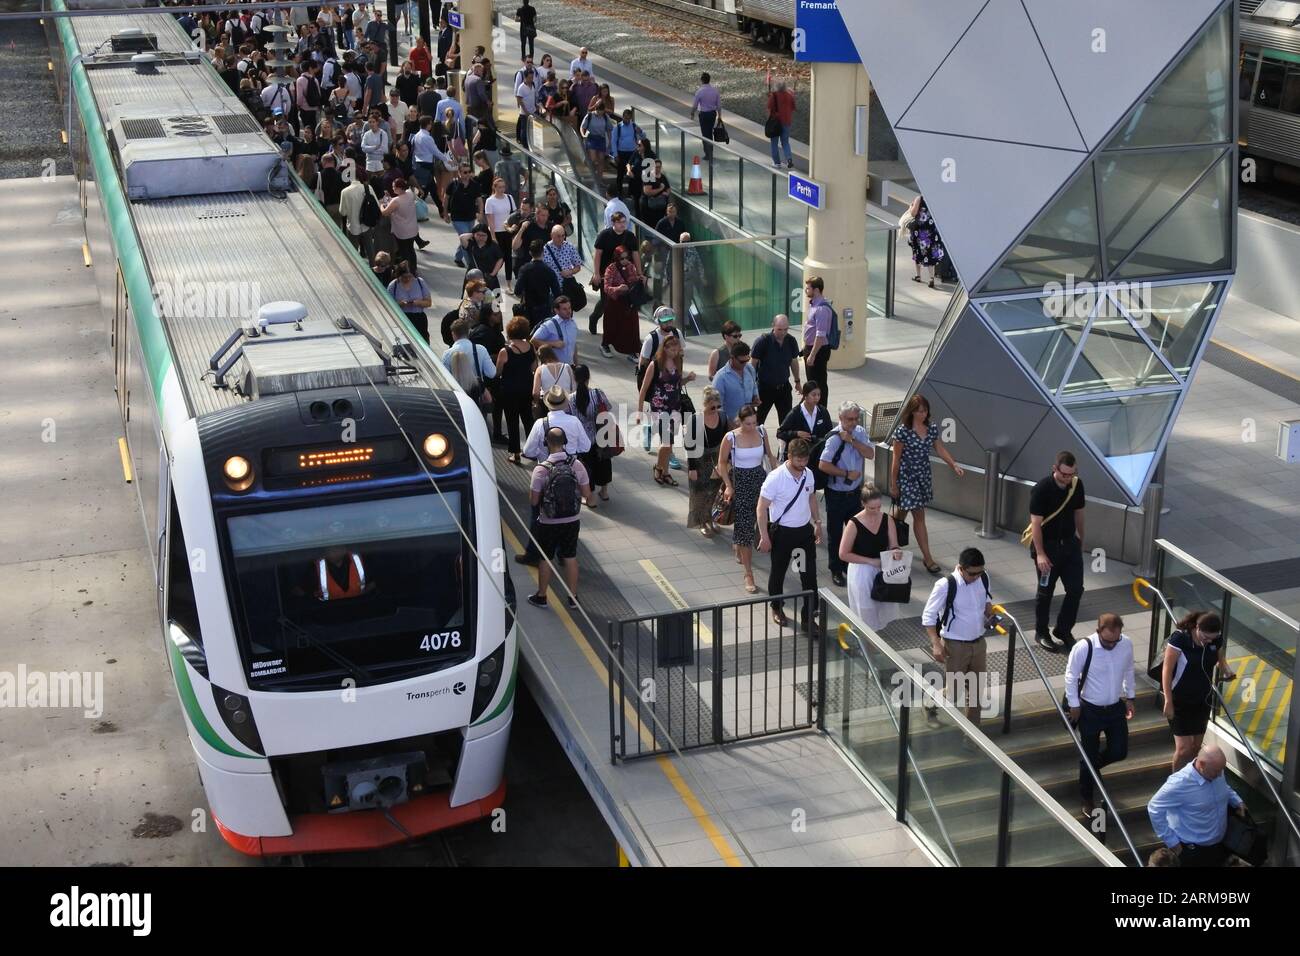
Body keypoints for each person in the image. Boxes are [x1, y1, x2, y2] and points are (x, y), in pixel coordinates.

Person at [1065, 613, 1136, 818]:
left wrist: (1130, 697)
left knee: (1119, 751)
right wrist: (1074, 704)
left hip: (1114, 708)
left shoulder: (1126, 644)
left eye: (1116, 640)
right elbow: (1070, 676)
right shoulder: (1084, 647)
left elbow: (1129, 670)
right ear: (1098, 632)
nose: (1112, 645)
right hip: (1089, 709)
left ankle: (1089, 768)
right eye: (1107, 641)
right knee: (1089, 753)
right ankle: (1087, 797)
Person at [517, 387, 593, 566]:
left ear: (548, 404)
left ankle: (535, 554)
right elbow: (587, 446)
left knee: (538, 514)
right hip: (570, 473)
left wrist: (541, 452)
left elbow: (527, 451)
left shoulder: (540, 424)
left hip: (546, 474)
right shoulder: (574, 422)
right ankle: (564, 554)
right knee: (566, 510)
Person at [891, 394, 964, 576]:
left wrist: (953, 464)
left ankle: (889, 536)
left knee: (901, 512)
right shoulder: (903, 431)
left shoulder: (931, 428)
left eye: (925, 410)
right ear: (912, 412)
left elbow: (939, 448)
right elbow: (896, 459)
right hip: (907, 478)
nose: (923, 414)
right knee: (918, 514)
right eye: (919, 411)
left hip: (922, 476)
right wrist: (893, 483)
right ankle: (928, 558)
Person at [921, 547, 994, 726]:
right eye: (972, 573)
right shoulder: (945, 585)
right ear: (961, 568)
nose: (976, 577)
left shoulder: (983, 578)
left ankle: (972, 740)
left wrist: (991, 616)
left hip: (978, 643)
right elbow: (928, 616)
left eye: (980, 572)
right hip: (955, 646)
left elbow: (986, 602)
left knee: (976, 692)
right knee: (955, 692)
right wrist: (936, 644)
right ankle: (930, 703)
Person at [526, 427, 595, 610]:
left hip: (548, 522)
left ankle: (541, 596)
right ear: (565, 442)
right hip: (572, 520)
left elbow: (533, 501)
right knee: (570, 557)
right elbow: (587, 494)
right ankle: (573, 598)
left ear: (547, 443)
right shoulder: (576, 465)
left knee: (545, 559)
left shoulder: (541, 470)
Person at [1159, 611, 1236, 773]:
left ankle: (1191, 779)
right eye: (1205, 637)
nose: (1208, 641)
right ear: (1197, 627)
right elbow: (1167, 670)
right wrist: (1168, 700)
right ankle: (1175, 783)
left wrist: (1227, 670)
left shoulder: (1215, 640)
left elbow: (1220, 659)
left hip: (1202, 698)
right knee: (1183, 749)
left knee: (1195, 747)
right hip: (1179, 699)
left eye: (1212, 639)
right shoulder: (1180, 639)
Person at [1147, 744, 1247, 868]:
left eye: (1221, 770)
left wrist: (1237, 801)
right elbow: (1154, 808)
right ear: (1202, 764)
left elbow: (1224, 788)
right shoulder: (1179, 783)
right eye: (1216, 771)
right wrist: (1172, 842)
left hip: (1220, 845)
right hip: (1194, 851)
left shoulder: (1215, 771)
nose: (1220, 774)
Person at [757, 437, 821, 629]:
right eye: (799, 460)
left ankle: (808, 617)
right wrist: (764, 536)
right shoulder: (776, 478)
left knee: (808, 574)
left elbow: (811, 498)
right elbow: (761, 508)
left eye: (805, 459)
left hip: (803, 534)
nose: (802, 464)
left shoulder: (808, 474)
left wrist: (817, 522)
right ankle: (777, 607)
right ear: (789, 456)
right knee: (778, 573)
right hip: (783, 535)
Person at [1028, 450, 1086, 651]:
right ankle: (1041, 631)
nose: (1067, 478)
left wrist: (1081, 540)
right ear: (1055, 469)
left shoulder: (1076, 486)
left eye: (1071, 474)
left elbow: (1079, 514)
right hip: (1048, 547)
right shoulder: (1042, 489)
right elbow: (1035, 523)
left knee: (1076, 589)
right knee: (1045, 592)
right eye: (1064, 474)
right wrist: (1040, 553)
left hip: (1070, 545)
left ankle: (1063, 629)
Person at [717, 405, 776, 596]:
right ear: (739, 422)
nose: (752, 426)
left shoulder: (761, 431)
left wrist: (777, 476)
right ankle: (748, 574)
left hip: (759, 479)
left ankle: (739, 546)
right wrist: (728, 485)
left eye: (754, 422)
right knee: (744, 526)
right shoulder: (731, 437)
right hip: (740, 482)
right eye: (748, 423)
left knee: (759, 519)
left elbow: (769, 455)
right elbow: (722, 462)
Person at [819, 402, 875, 588]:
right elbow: (823, 465)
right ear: (841, 418)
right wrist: (845, 474)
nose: (853, 422)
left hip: (855, 494)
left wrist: (852, 441)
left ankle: (850, 564)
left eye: (855, 418)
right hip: (836, 494)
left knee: (855, 532)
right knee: (835, 534)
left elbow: (870, 453)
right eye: (849, 419)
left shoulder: (859, 432)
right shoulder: (834, 439)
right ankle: (836, 568)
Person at [838, 484, 904, 630]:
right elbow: (843, 554)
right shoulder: (853, 523)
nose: (876, 511)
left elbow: (894, 544)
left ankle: (874, 643)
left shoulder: (887, 519)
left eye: (879, 507)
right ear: (863, 504)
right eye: (872, 508)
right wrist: (870, 561)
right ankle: (867, 644)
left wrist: (896, 551)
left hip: (882, 568)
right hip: (861, 571)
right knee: (866, 611)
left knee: (882, 609)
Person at [638, 333, 694, 488]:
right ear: (665, 349)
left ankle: (665, 472)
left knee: (669, 442)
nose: (675, 352)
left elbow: (677, 384)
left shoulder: (678, 362)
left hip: (675, 407)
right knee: (666, 443)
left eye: (677, 349)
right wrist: (639, 411)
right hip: (659, 408)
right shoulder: (655, 365)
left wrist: (687, 379)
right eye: (672, 349)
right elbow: (643, 389)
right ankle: (658, 468)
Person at [590, 209, 639, 337]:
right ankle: (595, 317)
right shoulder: (605, 235)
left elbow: (635, 254)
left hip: (624, 275)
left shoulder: (630, 236)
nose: (623, 224)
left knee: (622, 303)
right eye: (620, 222)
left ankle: (619, 330)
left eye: (624, 222)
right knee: (606, 301)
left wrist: (639, 273)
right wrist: (596, 273)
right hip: (607, 274)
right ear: (613, 223)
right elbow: (598, 255)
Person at [496, 314, 538, 466]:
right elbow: (535, 368)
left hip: (509, 391)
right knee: (528, 419)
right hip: (526, 389)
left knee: (512, 421)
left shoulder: (505, 351)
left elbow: (498, 372)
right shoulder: (531, 347)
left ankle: (516, 453)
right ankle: (533, 450)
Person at [686, 386, 728, 537]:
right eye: (712, 407)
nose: (715, 409)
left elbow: (725, 440)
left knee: (714, 491)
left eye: (718, 406)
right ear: (705, 405)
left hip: (716, 458)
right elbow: (689, 444)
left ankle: (710, 518)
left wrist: (725, 461)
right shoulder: (696, 419)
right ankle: (701, 521)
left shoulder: (722, 417)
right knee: (699, 492)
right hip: (699, 459)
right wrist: (691, 468)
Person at [571, 364, 613, 502]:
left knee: (585, 466)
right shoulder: (597, 393)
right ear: (588, 377)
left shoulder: (571, 398)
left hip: (582, 440)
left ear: (574, 379)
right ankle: (605, 492)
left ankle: (589, 496)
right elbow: (608, 407)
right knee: (603, 462)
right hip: (600, 436)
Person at [751, 314, 802, 426]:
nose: (783, 333)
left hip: (783, 388)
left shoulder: (791, 341)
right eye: (779, 329)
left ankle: (784, 443)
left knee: (786, 423)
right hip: (765, 389)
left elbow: (794, 362)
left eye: (786, 329)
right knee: (758, 420)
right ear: (773, 326)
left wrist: (797, 381)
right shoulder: (763, 341)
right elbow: (753, 364)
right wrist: (751, 387)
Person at [442, 317, 496, 410]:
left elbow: (445, 380)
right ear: (469, 332)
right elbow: (492, 373)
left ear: (453, 334)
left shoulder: (447, 354)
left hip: (457, 398)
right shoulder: (480, 349)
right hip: (477, 395)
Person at [515, 240, 562, 328]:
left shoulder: (524, 269)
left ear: (530, 253)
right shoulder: (549, 271)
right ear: (543, 252)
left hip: (528, 308)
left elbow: (517, 291)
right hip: (544, 309)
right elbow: (557, 293)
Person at [801, 275, 833, 407]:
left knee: (818, 384)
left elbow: (820, 335)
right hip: (812, 348)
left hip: (818, 351)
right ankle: (813, 408)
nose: (806, 290)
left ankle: (820, 410)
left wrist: (812, 354)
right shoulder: (814, 305)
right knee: (813, 383)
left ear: (817, 290)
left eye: (808, 288)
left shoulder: (821, 309)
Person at [712, 341, 759, 426]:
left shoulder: (750, 369)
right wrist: (728, 424)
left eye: (747, 360)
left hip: (749, 422)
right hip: (731, 424)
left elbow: (754, 385)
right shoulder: (721, 377)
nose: (744, 364)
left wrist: (755, 396)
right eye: (741, 361)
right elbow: (717, 406)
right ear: (732, 357)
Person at [906, 196, 948, 289]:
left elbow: (913, 214)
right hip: (932, 230)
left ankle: (918, 276)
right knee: (930, 254)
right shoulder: (934, 196)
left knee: (917, 252)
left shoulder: (919, 198)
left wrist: (910, 207)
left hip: (920, 231)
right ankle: (931, 279)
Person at [444, 163, 481, 267]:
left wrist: (481, 212)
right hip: (457, 218)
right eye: (465, 172)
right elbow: (446, 199)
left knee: (466, 238)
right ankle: (471, 264)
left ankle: (458, 257)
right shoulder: (453, 184)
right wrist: (445, 213)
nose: (468, 174)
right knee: (467, 239)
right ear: (459, 173)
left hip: (470, 217)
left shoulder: (475, 185)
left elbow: (479, 200)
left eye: (469, 172)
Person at [380, 177, 419, 275]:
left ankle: (406, 271)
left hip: (402, 231)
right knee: (411, 249)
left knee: (403, 251)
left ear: (400, 188)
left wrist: (381, 204)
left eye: (394, 187)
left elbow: (385, 213)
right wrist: (390, 198)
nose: (392, 189)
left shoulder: (396, 201)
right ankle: (413, 269)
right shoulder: (410, 194)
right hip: (412, 229)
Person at [483, 178, 518, 285]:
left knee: (508, 257)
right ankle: (491, 277)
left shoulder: (509, 198)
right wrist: (493, 237)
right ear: (495, 187)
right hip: (497, 232)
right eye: (499, 187)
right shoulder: (490, 201)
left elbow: (514, 214)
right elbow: (490, 220)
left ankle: (508, 283)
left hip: (507, 231)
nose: (502, 189)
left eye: (503, 187)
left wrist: (513, 229)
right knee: (498, 258)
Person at [388, 262, 432, 341]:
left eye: (410, 276)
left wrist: (419, 303)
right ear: (399, 276)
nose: (407, 279)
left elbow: (429, 303)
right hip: (402, 318)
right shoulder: (393, 285)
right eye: (404, 277)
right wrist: (399, 304)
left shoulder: (419, 282)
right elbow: (387, 305)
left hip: (418, 318)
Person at [532, 344, 575, 411]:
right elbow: (574, 387)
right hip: (566, 403)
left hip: (549, 405)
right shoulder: (567, 367)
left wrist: (536, 403)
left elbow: (535, 393)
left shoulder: (540, 370)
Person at [690, 72, 720, 162]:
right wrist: (720, 116)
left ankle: (707, 154)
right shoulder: (715, 91)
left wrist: (692, 113)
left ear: (702, 80)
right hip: (712, 114)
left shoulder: (700, 91)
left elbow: (695, 105)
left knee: (704, 134)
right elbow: (718, 105)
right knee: (710, 133)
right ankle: (710, 152)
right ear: (709, 80)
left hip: (703, 114)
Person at [464, 222, 505, 290]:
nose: (481, 237)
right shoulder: (471, 244)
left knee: (489, 298)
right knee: (471, 297)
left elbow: (500, 259)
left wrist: (493, 274)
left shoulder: (493, 245)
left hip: (488, 276)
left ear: (488, 235)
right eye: (478, 235)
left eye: (483, 235)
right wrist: (473, 233)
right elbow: (462, 237)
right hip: (473, 276)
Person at [766, 80, 796, 169]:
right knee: (785, 142)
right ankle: (789, 159)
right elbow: (793, 108)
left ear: (776, 87)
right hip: (786, 122)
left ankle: (777, 163)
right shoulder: (789, 96)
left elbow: (768, 108)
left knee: (774, 143)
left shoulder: (773, 96)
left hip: (775, 123)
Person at [580, 106, 612, 175]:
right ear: (595, 110)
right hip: (591, 138)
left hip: (601, 139)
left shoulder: (606, 117)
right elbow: (582, 127)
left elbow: (609, 130)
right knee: (593, 159)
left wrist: (609, 141)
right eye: (598, 112)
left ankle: (599, 179)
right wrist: (583, 135)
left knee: (601, 160)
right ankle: (593, 175)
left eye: (601, 112)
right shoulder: (589, 116)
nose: (600, 114)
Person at [514, 66, 539, 149]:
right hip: (525, 113)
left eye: (532, 77)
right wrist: (526, 112)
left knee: (533, 129)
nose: (531, 79)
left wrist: (536, 106)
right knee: (524, 130)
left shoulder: (533, 85)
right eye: (529, 78)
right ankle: (524, 146)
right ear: (525, 77)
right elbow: (520, 100)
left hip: (533, 111)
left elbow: (534, 96)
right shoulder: (521, 88)